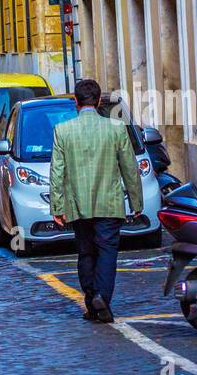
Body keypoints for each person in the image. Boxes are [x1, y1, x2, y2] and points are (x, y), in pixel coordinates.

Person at [49, 78, 143, 324]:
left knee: (86, 252)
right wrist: (136, 202)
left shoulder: (63, 130)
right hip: (109, 203)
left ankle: (92, 301)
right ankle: (102, 297)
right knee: (107, 251)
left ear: (76, 103)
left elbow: (57, 172)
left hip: (78, 205)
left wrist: (57, 207)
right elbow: (130, 169)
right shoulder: (116, 128)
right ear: (99, 101)